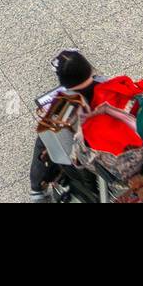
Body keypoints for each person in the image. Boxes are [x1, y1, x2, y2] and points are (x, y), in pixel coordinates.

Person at [29, 49, 97, 202]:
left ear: (63, 83)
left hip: (95, 161)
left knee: (44, 136)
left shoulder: (65, 108)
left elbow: (66, 150)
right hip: (131, 143)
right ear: (90, 69)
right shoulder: (110, 84)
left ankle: (37, 189)